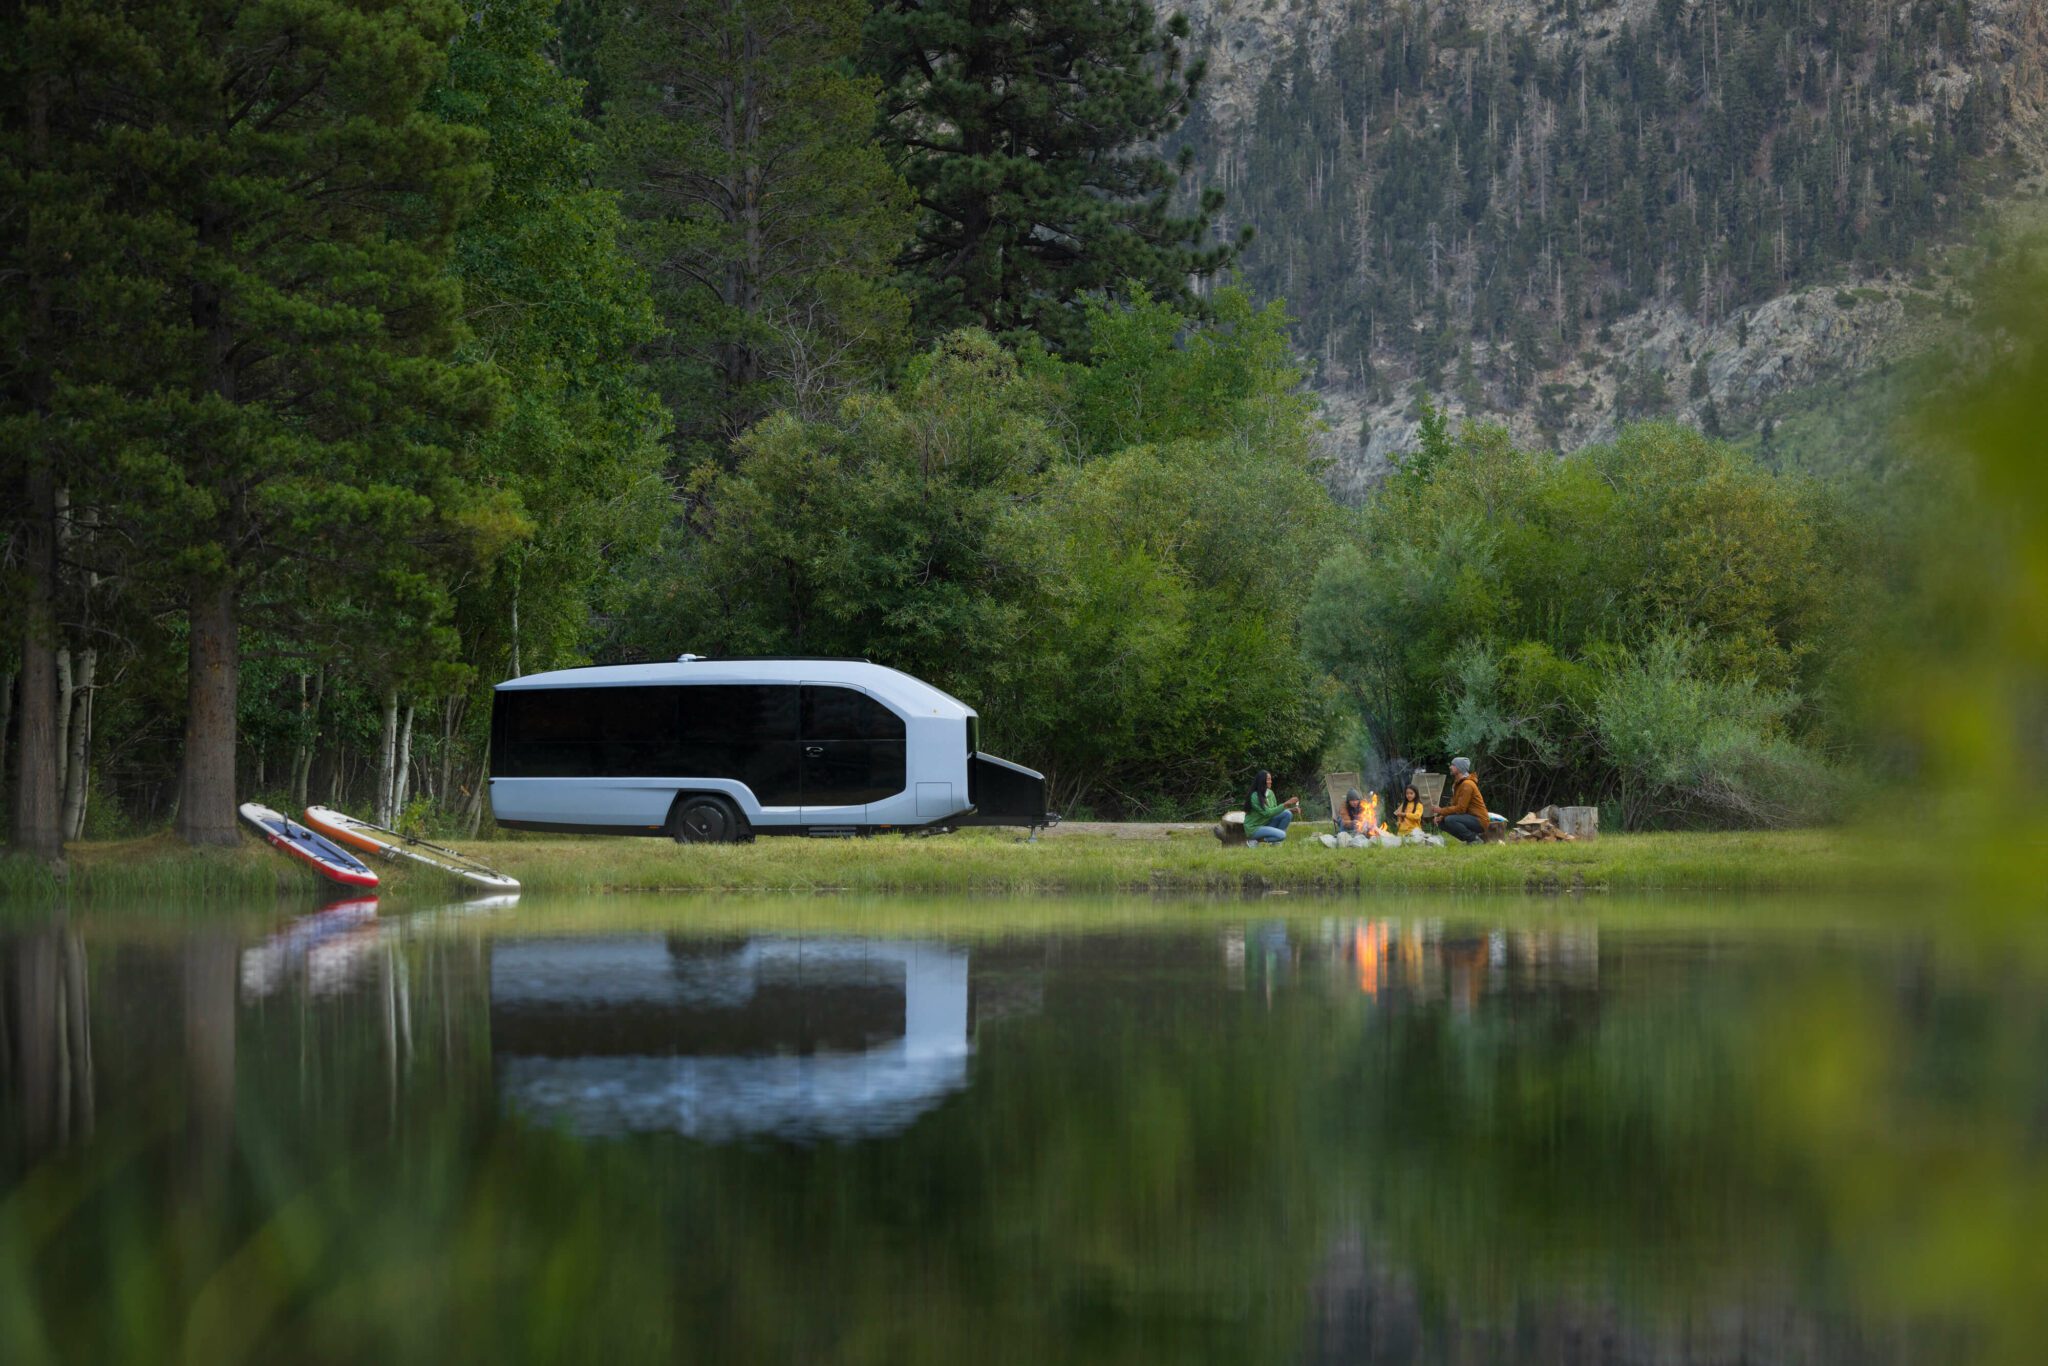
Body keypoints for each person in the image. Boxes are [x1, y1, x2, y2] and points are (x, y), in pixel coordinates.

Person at [1431, 757, 1489, 844]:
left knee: (1450, 820)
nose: (1450, 767)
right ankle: (1470, 838)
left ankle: (1474, 839)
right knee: (1442, 822)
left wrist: (1441, 810)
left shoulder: (1467, 784)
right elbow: (1454, 805)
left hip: (1480, 820)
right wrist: (1441, 816)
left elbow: (1461, 809)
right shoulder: (1458, 784)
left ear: (1460, 768)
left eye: (1453, 765)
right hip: (1469, 818)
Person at [1245, 770, 1298, 844]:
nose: (1271, 781)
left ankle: (1275, 842)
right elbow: (1267, 813)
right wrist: (1286, 803)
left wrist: (1290, 810)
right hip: (1254, 828)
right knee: (1282, 835)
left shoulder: (1270, 793)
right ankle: (1256, 840)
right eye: (1268, 779)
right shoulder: (1254, 796)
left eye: (1270, 779)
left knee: (1287, 813)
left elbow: (1274, 811)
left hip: (1266, 823)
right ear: (1262, 781)